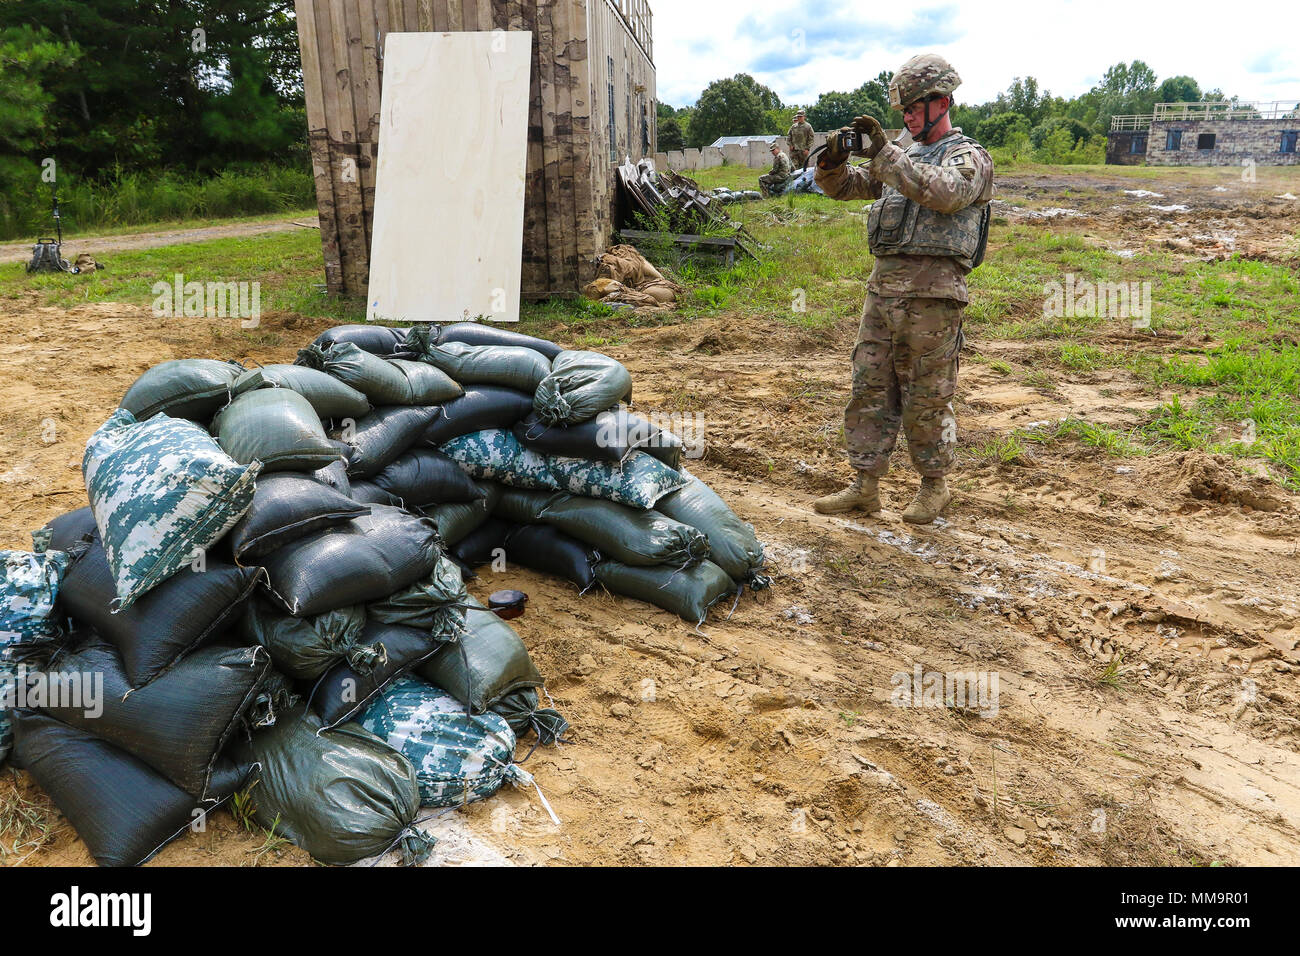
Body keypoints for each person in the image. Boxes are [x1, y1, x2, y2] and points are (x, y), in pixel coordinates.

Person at [812, 54, 994, 524]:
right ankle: (865, 485)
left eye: (914, 107)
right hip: (883, 293)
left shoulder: (967, 156)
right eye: (904, 110)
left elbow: (949, 192)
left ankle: (935, 486)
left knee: (927, 395)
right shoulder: (902, 154)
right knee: (870, 388)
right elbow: (849, 187)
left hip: (933, 298)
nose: (908, 117)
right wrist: (832, 164)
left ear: (942, 102)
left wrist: (885, 154)